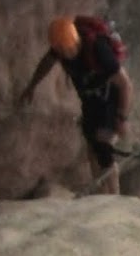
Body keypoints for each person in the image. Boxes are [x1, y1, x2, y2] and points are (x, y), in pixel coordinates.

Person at [18, 16, 133, 193]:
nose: (66, 54)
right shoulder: (60, 46)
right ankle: (101, 195)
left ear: (76, 42)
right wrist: (31, 86)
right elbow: (46, 63)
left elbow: (125, 85)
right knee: (91, 148)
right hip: (90, 99)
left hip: (109, 97)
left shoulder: (98, 49)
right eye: (62, 51)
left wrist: (121, 118)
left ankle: (114, 197)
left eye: (69, 50)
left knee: (103, 146)